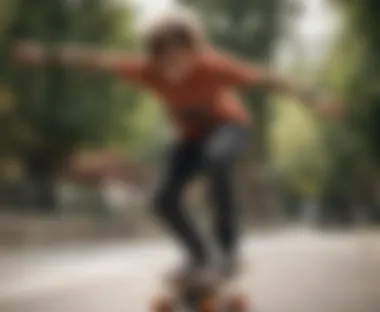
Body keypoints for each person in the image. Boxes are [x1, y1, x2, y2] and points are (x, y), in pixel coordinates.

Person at [13, 11, 342, 282]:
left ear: (193, 52)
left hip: (231, 127)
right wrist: (43, 54)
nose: (173, 68)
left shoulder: (213, 66)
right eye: (165, 60)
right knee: (161, 199)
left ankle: (228, 252)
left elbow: (269, 78)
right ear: (154, 58)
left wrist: (314, 98)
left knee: (217, 159)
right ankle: (200, 256)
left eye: (180, 58)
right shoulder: (145, 71)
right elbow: (93, 60)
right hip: (189, 139)